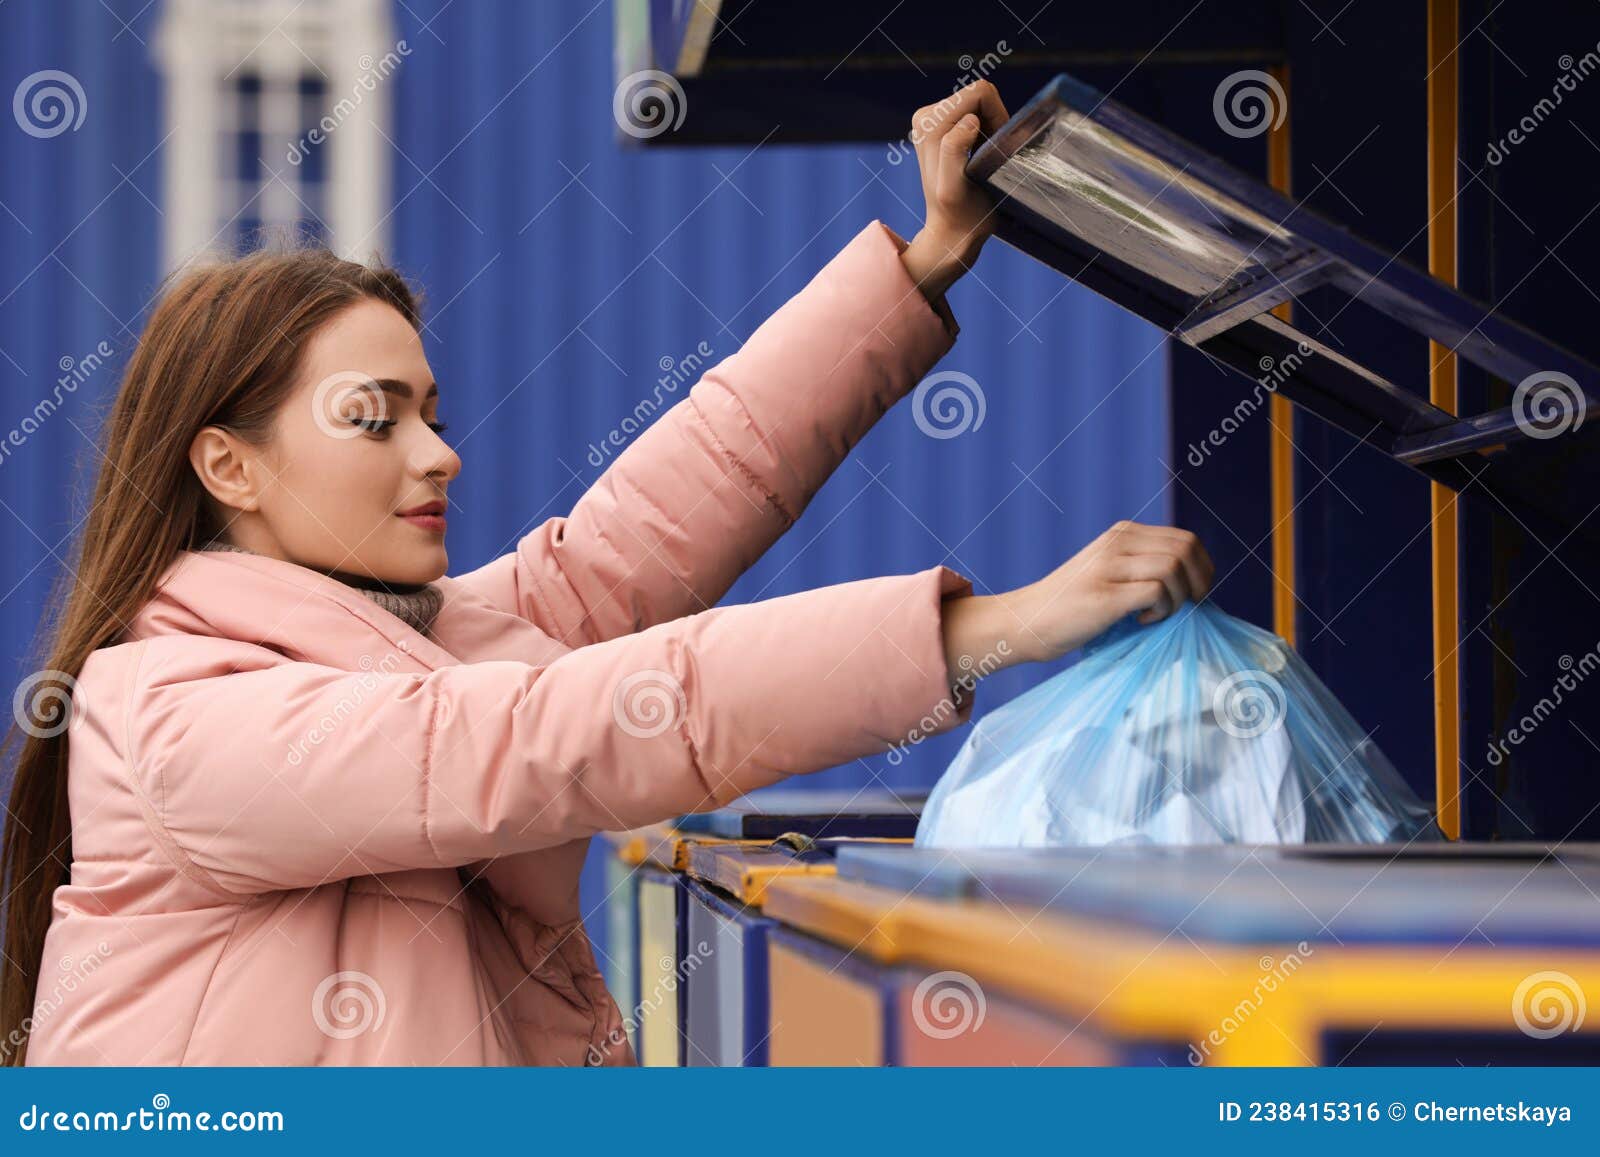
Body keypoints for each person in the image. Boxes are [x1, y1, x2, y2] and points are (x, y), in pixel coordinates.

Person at [0, 81, 1211, 1066]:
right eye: (374, 420)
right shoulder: (170, 717)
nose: (438, 452)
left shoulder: (415, 647)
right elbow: (528, 734)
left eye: (432, 410)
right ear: (230, 465)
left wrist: (921, 265)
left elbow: (638, 533)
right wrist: (986, 629)